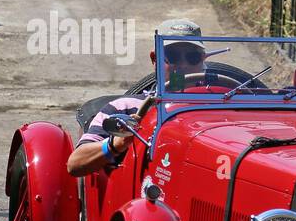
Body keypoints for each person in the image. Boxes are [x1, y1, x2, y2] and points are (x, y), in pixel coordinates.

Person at [67, 18, 210, 177]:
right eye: (173, 55)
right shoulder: (125, 107)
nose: (183, 64)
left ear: (203, 59)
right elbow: (75, 164)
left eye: (192, 57)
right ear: (154, 59)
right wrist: (115, 144)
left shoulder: (224, 107)